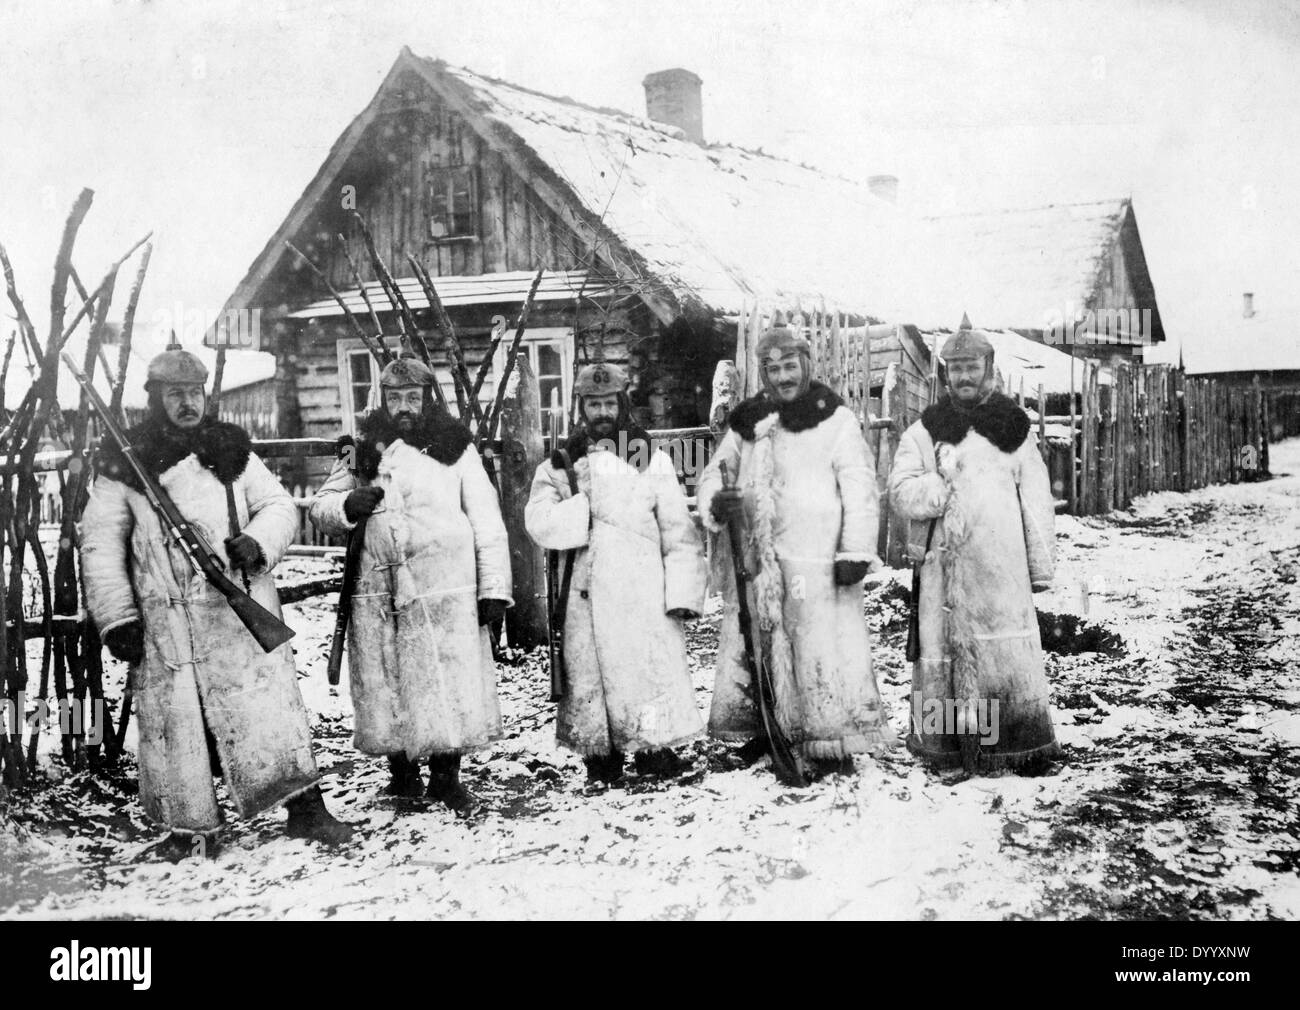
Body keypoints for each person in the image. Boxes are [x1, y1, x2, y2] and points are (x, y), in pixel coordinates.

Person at [81, 341, 352, 858]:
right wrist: (118, 618)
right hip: (168, 618)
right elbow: (100, 547)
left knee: (269, 711)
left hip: (239, 608)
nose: (187, 403)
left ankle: (305, 808)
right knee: (178, 727)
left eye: (195, 392)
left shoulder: (232, 452)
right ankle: (189, 827)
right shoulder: (124, 467)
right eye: (175, 394)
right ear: (154, 398)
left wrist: (259, 541)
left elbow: (277, 505)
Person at [308, 354, 512, 813]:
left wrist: (494, 589)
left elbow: (487, 521)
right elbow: (321, 507)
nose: (403, 406)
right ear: (383, 399)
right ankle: (401, 775)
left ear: (427, 399)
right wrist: (347, 505)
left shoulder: (456, 448)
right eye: (395, 397)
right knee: (387, 678)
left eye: (412, 397)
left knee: (448, 678)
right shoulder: (361, 451)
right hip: (379, 591)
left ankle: (446, 776)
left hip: (447, 589)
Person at [696, 326, 894, 777]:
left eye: (790, 366)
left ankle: (828, 737)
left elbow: (862, 487)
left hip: (817, 561)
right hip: (759, 558)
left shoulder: (834, 419)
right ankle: (761, 732)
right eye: (773, 368)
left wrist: (856, 551)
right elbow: (715, 473)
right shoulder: (748, 423)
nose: (783, 376)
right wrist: (716, 501)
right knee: (759, 644)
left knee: (817, 648)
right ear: (763, 373)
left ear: (806, 365)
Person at [888, 316, 1060, 773]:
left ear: (989, 366)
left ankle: (1013, 742)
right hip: (943, 577)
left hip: (1001, 572)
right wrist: (938, 487)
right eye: (956, 368)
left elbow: (1037, 500)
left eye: (973, 366)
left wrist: (1040, 569)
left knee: (1000, 652)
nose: (965, 376)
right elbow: (900, 491)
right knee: (945, 655)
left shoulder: (1012, 428)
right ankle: (945, 749)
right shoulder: (925, 431)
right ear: (944, 372)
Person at [525, 362, 707, 785]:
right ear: (581, 407)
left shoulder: (648, 457)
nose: (602, 412)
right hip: (584, 595)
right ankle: (600, 758)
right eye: (593, 404)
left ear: (622, 404)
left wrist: (682, 593)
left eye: (609, 402)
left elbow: (679, 532)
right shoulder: (561, 462)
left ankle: (654, 753)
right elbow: (537, 519)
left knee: (646, 672)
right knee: (590, 677)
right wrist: (581, 509)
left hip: (643, 592)